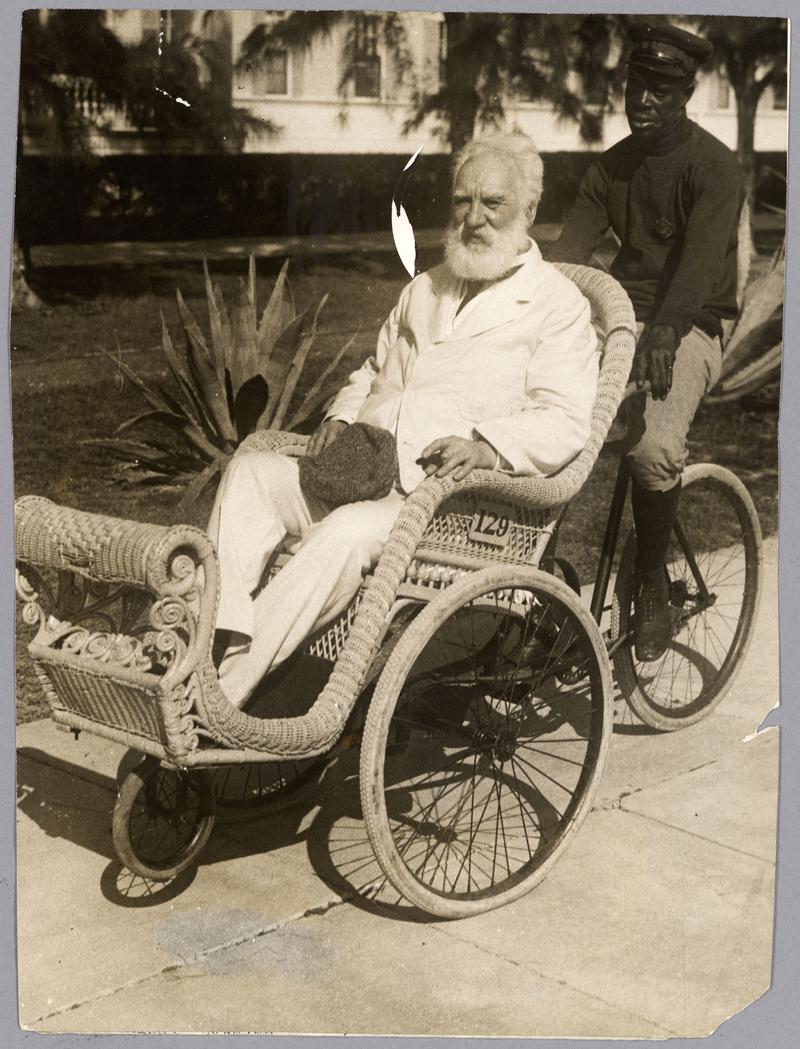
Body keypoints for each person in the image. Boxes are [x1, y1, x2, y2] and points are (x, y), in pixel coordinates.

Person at [208, 131, 601, 709]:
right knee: (251, 472)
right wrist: (342, 416)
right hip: (360, 467)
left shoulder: (556, 305)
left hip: (445, 505)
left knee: (343, 536)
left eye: (492, 203)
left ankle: (222, 693)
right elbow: (373, 369)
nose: (474, 219)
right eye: (463, 201)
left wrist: (490, 447)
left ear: (530, 211)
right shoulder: (425, 288)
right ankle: (214, 641)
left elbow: (566, 418)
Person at [548, 22, 744, 661]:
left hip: (693, 322)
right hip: (623, 319)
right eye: (637, 84)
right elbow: (565, 259)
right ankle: (536, 591)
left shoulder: (714, 166)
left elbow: (701, 262)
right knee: (540, 431)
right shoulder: (611, 168)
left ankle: (653, 577)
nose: (644, 99)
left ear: (686, 92)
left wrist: (664, 328)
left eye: (661, 88)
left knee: (654, 446)